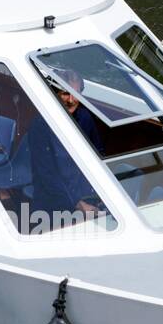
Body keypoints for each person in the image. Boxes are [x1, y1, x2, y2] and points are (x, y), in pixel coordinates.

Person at [26, 69, 105, 228]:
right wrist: (77, 203)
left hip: (82, 193)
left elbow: (98, 155)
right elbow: (46, 174)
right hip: (51, 200)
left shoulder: (85, 118)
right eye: (65, 94)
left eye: (76, 94)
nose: (71, 100)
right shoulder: (40, 125)